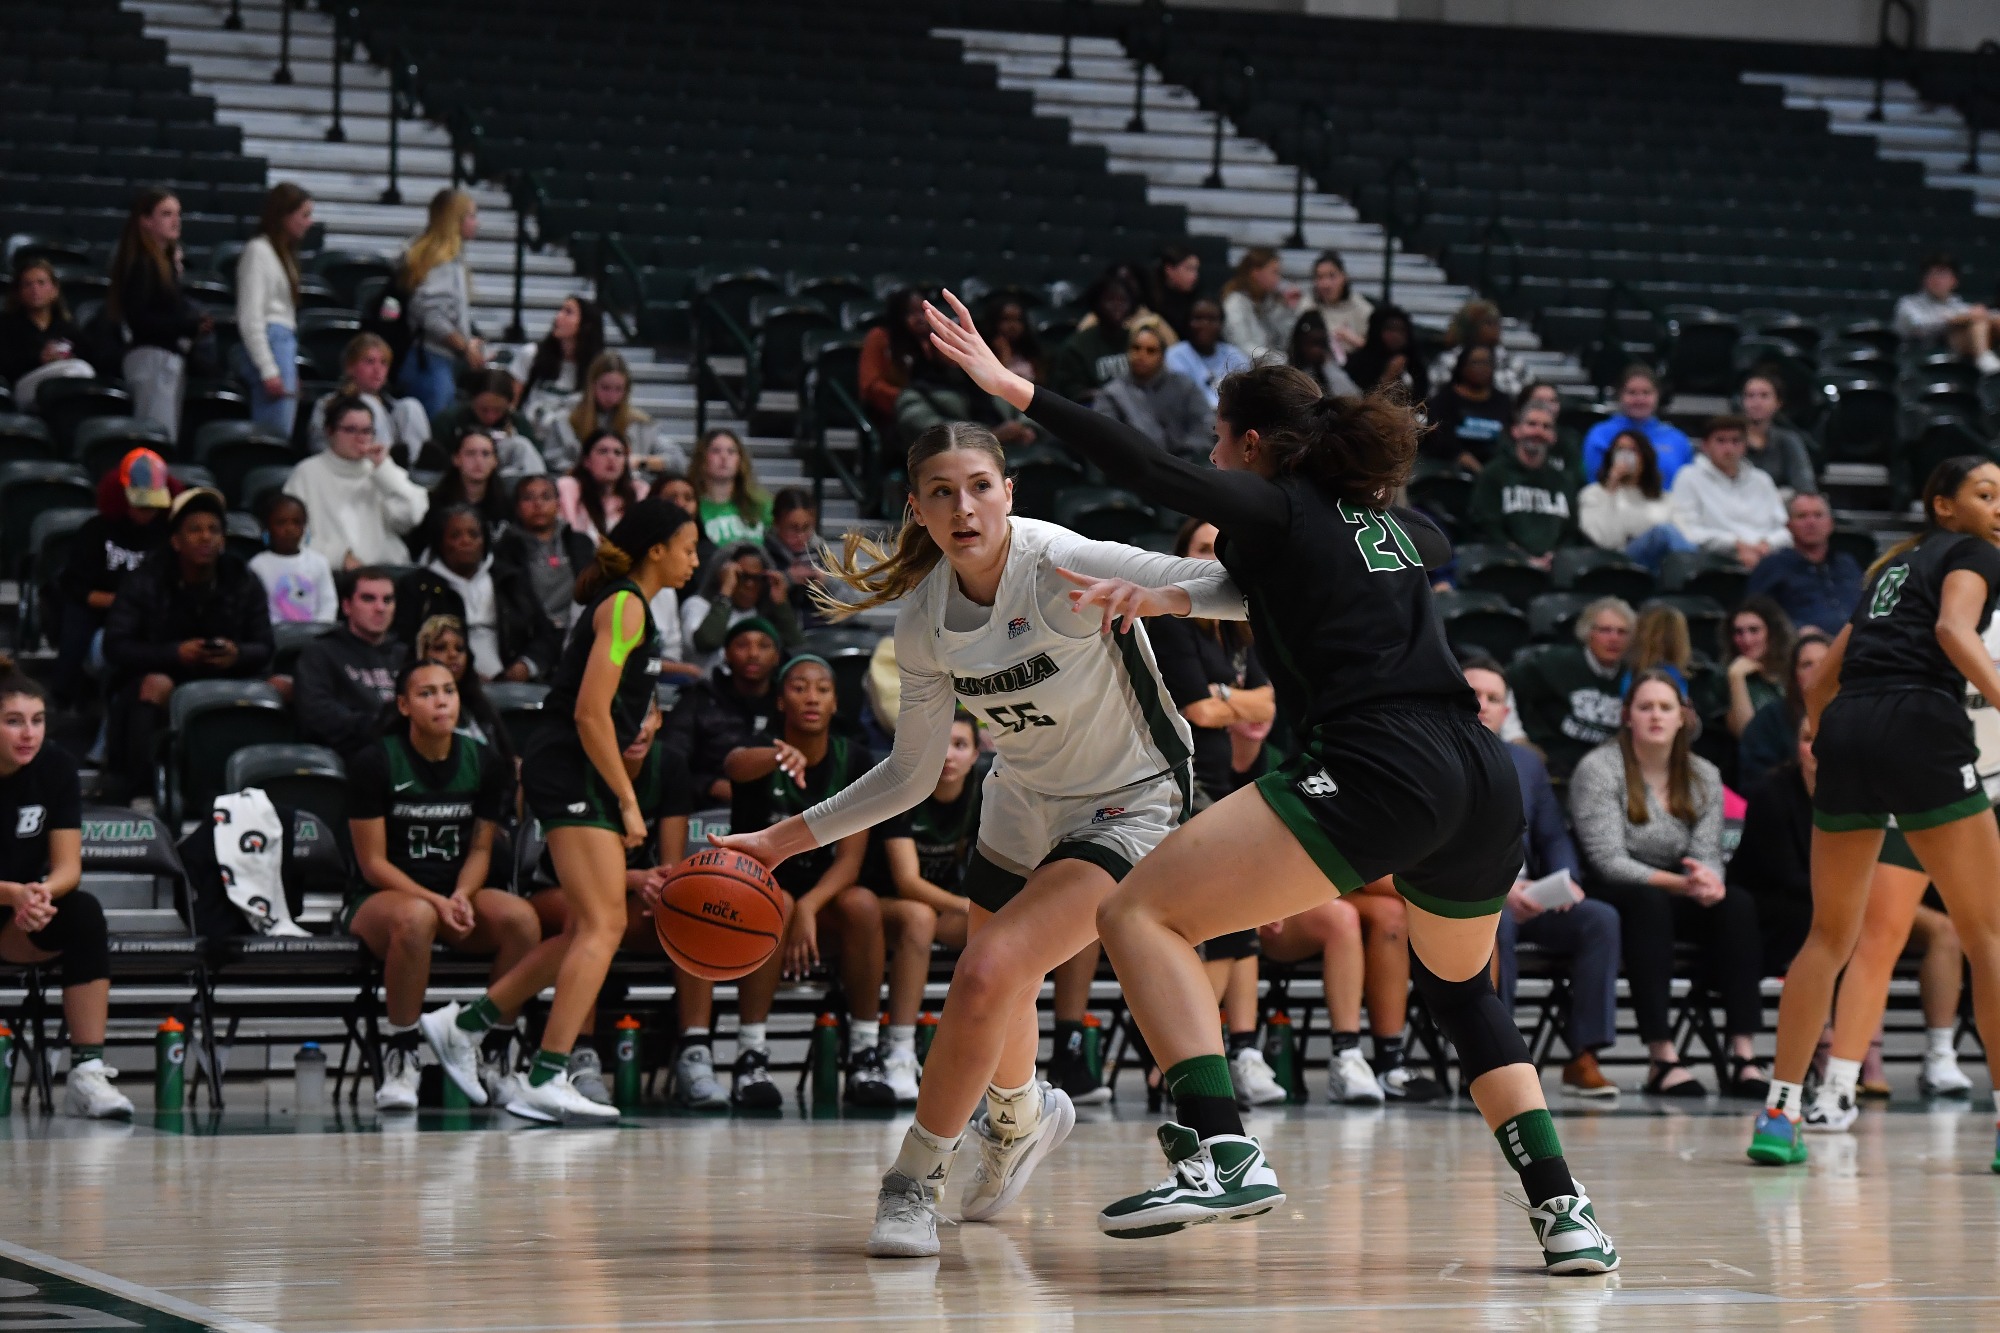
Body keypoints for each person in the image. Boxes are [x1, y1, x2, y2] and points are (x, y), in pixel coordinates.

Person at [914, 292, 1616, 1271]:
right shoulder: (1391, 526)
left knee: (1136, 916)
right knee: (1461, 996)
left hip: (1374, 761)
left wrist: (1011, 388)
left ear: (1251, 444)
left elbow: (1147, 468)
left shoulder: (1277, 502)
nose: (1207, 458)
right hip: (1476, 770)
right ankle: (1563, 1210)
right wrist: (1170, 592)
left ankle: (1219, 1145)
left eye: (1217, 441)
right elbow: (1356, 564)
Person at [708, 392, 1252, 1257]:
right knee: (996, 980)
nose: (963, 508)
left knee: (992, 967)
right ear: (916, 509)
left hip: (1132, 791)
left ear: (1008, 490)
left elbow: (1227, 588)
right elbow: (912, 773)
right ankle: (1019, 1117)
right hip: (1024, 792)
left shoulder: (1061, 560)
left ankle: (913, 1180)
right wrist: (781, 841)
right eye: (941, 492)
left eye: (978, 487)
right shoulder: (924, 615)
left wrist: (1173, 603)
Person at [1748, 456, 2000, 1170]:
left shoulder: (1888, 573)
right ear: (1944, 505)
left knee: (1830, 936)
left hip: (1850, 730)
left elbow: (1823, 678)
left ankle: (1779, 1112)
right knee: (1988, 935)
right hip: (1922, 723)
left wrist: (1821, 738)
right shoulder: (1973, 554)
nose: (1999, 507)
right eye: (1986, 494)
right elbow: (1955, 632)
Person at [420, 500, 700, 1124]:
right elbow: (589, 713)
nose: (695, 560)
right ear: (657, 549)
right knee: (603, 926)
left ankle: (465, 1024)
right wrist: (629, 803)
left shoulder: (634, 609)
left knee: (586, 929)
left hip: (577, 767)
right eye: (688, 547)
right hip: (567, 764)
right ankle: (545, 1074)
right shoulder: (626, 604)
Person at [1728, 721, 1972, 1128]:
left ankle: (1788, 1108)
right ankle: (1832, 1083)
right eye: (1808, 739)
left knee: (1875, 935)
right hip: (1934, 769)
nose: (1816, 747)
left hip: (1921, 769)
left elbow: (1825, 678)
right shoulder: (1780, 789)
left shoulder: (1857, 742)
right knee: (1854, 936)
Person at [724, 655, 918, 1108]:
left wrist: (809, 907)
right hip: (763, 898)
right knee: (780, 904)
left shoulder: (858, 759)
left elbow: (849, 862)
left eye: (822, 689)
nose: (811, 696)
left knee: (863, 903)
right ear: (779, 700)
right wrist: (775, 755)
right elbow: (733, 765)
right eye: (798, 687)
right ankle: (750, 1055)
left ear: (835, 704)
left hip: (825, 900)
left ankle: (865, 1051)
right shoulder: (758, 753)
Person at [346, 660, 534, 1111]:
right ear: (405, 706)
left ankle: (494, 1055)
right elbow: (372, 863)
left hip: (452, 896)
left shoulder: (484, 761)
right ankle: (403, 1054)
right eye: (427, 693)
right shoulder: (375, 762)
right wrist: (435, 899)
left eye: (448, 690)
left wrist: (463, 895)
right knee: (416, 917)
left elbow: (481, 850)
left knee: (522, 922)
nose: (441, 700)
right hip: (381, 901)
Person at [1569, 670, 1765, 1099]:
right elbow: (1608, 861)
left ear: (1683, 717)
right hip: (1618, 888)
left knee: (1737, 905)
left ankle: (1744, 1055)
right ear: (1627, 717)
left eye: (1665, 707)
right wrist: (1680, 884)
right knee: (1648, 904)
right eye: (1645, 707)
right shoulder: (1599, 768)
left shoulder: (1703, 774)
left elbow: (1708, 849)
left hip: (1679, 884)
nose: (1655, 716)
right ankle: (1662, 1055)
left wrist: (1709, 880)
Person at [1462, 657, 1621, 1098]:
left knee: (1599, 919)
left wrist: (1562, 882)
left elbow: (1552, 832)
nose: (1484, 706)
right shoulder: (1434, 758)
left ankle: (1584, 1056)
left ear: (1506, 711)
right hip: (1471, 899)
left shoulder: (1527, 764)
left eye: (1494, 698)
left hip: (1532, 893)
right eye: (1474, 695)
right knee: (1499, 921)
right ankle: (1497, 1060)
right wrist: (1502, 890)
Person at [525, 699, 695, 1104]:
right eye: (625, 717)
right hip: (560, 890)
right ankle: (579, 1053)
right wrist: (634, 878)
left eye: (645, 715)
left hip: (630, 895)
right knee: (587, 919)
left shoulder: (669, 765)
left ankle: (696, 1048)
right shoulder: (581, 764)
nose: (636, 728)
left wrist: (662, 884)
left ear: (658, 718)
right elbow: (579, 874)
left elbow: (671, 862)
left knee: (696, 918)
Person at [0, 662, 131, 1118]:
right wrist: (12, 893)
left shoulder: (54, 766)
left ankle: (86, 1072)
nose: (28, 734)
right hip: (8, 900)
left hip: (18, 914)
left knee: (82, 912)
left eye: (37, 721)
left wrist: (38, 894)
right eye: (13, 721)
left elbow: (68, 866)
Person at [102, 489, 274, 799]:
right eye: (195, 530)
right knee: (154, 685)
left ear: (223, 540)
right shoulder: (145, 579)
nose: (205, 537)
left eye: (213, 530)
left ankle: (274, 787)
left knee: (283, 686)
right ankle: (141, 793)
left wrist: (236, 654)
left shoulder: (243, 579)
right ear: (176, 540)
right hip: (163, 672)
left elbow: (264, 645)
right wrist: (174, 653)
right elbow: (116, 646)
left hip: (229, 673)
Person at [1145, 519, 1274, 809]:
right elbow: (1201, 712)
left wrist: (1220, 694)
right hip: (1191, 786)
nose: (1214, 562)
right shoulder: (1171, 622)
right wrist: (1239, 703)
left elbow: (1266, 706)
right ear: (1181, 560)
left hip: (1239, 781)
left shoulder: (1239, 623)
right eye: (1204, 549)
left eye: (1221, 551)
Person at [54, 450, 178, 701]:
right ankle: (67, 694)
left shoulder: (170, 535)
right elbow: (75, 587)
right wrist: (122, 602)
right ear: (121, 495)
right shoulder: (96, 531)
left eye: (153, 504)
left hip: (154, 621)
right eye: (140, 503)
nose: (146, 510)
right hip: (102, 620)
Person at [407, 506, 561, 682]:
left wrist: (526, 665)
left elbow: (546, 635)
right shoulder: (418, 586)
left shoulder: (511, 579)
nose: (466, 541)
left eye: (474, 535)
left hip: (513, 682)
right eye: (455, 536)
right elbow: (409, 644)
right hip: (446, 682)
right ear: (440, 542)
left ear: (485, 540)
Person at [285, 394, 430, 569]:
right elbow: (291, 535)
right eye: (351, 430)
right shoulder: (306, 473)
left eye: (367, 431)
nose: (361, 438)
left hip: (385, 573)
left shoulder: (382, 471)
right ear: (330, 431)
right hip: (332, 574)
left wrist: (384, 469)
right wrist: (339, 557)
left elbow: (412, 516)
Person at [108, 188, 206, 440]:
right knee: (155, 439)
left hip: (164, 359)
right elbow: (141, 320)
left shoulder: (164, 265)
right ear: (145, 220)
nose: (176, 221)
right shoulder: (142, 264)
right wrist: (189, 323)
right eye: (166, 214)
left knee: (163, 437)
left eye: (178, 214)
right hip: (151, 359)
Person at [1507, 596, 1635, 779]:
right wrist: (1515, 736)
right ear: (1588, 633)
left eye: (1622, 632)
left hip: (1611, 771)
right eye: (1605, 630)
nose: (1614, 638)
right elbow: (1502, 686)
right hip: (1555, 768)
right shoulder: (1555, 663)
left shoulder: (1635, 675)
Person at [662, 617, 781, 805]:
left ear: (777, 657)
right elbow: (669, 762)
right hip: (703, 809)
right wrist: (710, 785)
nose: (753, 654)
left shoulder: (786, 704)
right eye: (742, 645)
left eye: (764, 646)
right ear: (727, 654)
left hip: (774, 810)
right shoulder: (700, 698)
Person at [293, 567, 405, 760]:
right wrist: (379, 726)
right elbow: (317, 714)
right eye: (369, 599)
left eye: (387, 600)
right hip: (350, 757)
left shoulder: (406, 655)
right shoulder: (320, 652)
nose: (380, 608)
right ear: (346, 606)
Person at [233, 183, 313, 436]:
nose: (309, 223)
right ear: (284, 215)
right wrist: (269, 368)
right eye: (304, 215)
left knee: (283, 430)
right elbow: (251, 317)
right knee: (273, 433)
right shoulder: (259, 252)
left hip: (283, 344)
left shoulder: (284, 255)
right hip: (272, 343)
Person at [398, 187, 485, 417]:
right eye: (472, 216)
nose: (477, 223)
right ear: (454, 220)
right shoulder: (443, 263)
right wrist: (465, 347)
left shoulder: (442, 259)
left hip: (433, 361)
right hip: (431, 363)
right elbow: (433, 317)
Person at [1467, 399, 1579, 565]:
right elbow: (1487, 527)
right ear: (1516, 431)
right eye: (1531, 424)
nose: (1538, 432)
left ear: (1554, 437)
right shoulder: (1493, 474)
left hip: (1554, 569)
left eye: (1546, 427)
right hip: (1505, 566)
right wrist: (1523, 559)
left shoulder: (1564, 481)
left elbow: (1571, 533)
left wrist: (1554, 557)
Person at [1671, 416, 1790, 569]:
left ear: (1745, 446)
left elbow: (1784, 528)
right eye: (1721, 441)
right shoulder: (1688, 477)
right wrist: (1735, 544)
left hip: (1766, 555)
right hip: (1714, 560)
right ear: (1705, 446)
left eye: (1736, 441)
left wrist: (1766, 544)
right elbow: (1686, 530)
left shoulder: (1762, 480)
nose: (1729, 449)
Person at [546, 350, 683, 477]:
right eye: (605, 388)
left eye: (618, 389)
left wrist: (639, 461)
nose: (611, 396)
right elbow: (552, 462)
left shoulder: (639, 424)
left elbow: (677, 460)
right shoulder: (566, 418)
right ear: (592, 385)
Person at [1745, 493, 1864, 634]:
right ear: (1788, 526)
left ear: (1830, 523)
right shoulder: (1771, 567)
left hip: (1858, 643)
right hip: (1800, 646)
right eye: (1802, 516)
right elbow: (1754, 616)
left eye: (1818, 515)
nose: (1811, 523)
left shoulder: (1847, 564)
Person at [1092, 322, 1211, 461]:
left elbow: (1205, 424)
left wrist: (1185, 459)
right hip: (1136, 467)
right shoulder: (1112, 394)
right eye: (1136, 348)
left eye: (1151, 351)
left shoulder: (1184, 386)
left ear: (1162, 357)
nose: (1141, 355)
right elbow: (1107, 438)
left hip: (1188, 464)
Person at [1577, 428, 1692, 570]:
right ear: (1611, 456)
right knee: (1664, 531)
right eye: (1620, 450)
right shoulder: (1594, 493)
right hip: (1616, 561)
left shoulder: (1664, 498)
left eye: (1633, 451)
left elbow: (1684, 537)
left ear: (1645, 457)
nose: (1625, 456)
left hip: (1661, 566)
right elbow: (1603, 540)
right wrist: (1611, 486)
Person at [681, 543, 806, 673]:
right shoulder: (697, 605)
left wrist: (781, 605)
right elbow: (707, 642)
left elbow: (798, 653)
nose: (749, 585)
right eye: (742, 576)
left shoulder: (763, 614)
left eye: (757, 578)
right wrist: (725, 594)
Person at [306, 333, 431, 462]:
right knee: (366, 403)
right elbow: (318, 445)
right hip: (350, 466)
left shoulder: (394, 407)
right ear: (350, 367)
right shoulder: (327, 403)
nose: (378, 370)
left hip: (395, 470)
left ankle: (416, 470)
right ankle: (380, 462)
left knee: (411, 406)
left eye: (383, 363)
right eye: (369, 362)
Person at [1736, 629, 1831, 795]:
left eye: (1825, 662)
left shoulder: (1859, 714)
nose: (1817, 670)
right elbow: (1755, 782)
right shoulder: (1768, 720)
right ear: (1795, 676)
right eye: (1807, 665)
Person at [497, 473, 596, 630]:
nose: (538, 504)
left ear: (558, 504)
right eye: (528, 498)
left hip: (579, 630)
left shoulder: (580, 543)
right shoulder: (506, 550)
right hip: (531, 635)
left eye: (546, 497)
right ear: (517, 507)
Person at [411, 614, 509, 759]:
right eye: (441, 648)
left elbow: (506, 759)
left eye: (460, 648)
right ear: (423, 654)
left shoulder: (481, 707)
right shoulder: (409, 708)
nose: (453, 655)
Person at [407, 429, 510, 560]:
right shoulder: (432, 504)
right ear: (456, 459)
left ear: (495, 461)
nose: (478, 461)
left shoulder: (507, 506)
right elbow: (418, 549)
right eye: (470, 453)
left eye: (485, 454)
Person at [0, 257, 90, 406]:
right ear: (19, 292)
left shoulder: (66, 326)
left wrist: (68, 356)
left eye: (41, 283)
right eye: (27, 284)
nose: (35, 289)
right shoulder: (7, 324)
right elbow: (6, 364)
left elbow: (90, 354)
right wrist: (39, 358)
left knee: (80, 371)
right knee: (79, 370)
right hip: (25, 384)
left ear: (54, 290)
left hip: (65, 379)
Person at [1893, 252, 2000, 375]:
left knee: (1982, 320)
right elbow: (1918, 327)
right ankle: (1984, 359)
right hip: (1919, 352)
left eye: (1943, 275)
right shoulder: (1908, 304)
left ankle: (1986, 360)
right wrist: (1953, 319)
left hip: (1960, 355)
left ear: (1954, 281)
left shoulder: (1958, 305)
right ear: (1924, 279)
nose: (1937, 280)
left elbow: (1981, 316)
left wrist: (1981, 314)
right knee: (1976, 321)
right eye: (1932, 274)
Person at [1581, 366, 1692, 484]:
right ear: (1620, 395)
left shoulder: (1677, 439)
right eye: (1632, 392)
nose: (1640, 399)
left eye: (1646, 392)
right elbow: (1594, 483)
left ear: (1658, 396)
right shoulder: (1600, 435)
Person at [424, 368, 545, 477]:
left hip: (503, 480)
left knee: (522, 445)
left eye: (498, 410)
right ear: (472, 400)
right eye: (484, 409)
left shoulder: (518, 423)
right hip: (456, 478)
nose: (490, 416)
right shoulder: (449, 420)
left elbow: (534, 457)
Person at [518, 294, 604, 439]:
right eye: (560, 310)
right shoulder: (531, 355)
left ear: (587, 325)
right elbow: (512, 405)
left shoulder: (597, 368)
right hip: (530, 437)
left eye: (568, 312)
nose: (558, 317)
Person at [248, 493, 337, 624]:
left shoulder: (319, 562)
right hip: (274, 636)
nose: (289, 529)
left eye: (296, 522)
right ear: (267, 527)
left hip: (315, 636)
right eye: (281, 523)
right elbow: (256, 609)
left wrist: (318, 631)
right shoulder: (258, 565)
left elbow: (328, 603)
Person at [1047, 273, 1135, 402]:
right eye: (1110, 300)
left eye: (1123, 300)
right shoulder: (1076, 346)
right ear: (1096, 304)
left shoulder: (1138, 340)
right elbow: (1070, 391)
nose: (1117, 306)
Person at [1423, 345, 1510, 472]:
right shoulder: (1444, 400)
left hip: (1495, 469)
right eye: (1476, 362)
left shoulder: (1503, 401)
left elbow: (1509, 437)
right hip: (1448, 469)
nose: (1482, 367)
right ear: (1462, 366)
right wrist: (1462, 458)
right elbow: (1438, 439)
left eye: (1486, 362)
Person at [1722, 597, 1796, 740]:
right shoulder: (1727, 677)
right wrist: (1736, 678)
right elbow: (1747, 734)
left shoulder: (1794, 667)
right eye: (1738, 632)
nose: (1746, 640)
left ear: (1773, 632)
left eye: (1754, 630)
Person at [558, 429, 646, 546]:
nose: (611, 458)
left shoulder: (639, 491)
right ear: (586, 461)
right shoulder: (569, 488)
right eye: (603, 451)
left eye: (618, 453)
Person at [688, 428, 771, 548]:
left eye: (731, 451)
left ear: (740, 461)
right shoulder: (693, 508)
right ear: (702, 460)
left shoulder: (761, 504)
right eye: (716, 451)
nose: (724, 457)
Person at [1737, 372, 1817, 497]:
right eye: (1750, 395)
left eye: (1764, 396)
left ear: (1778, 403)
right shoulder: (1730, 439)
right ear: (1742, 401)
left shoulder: (1789, 440)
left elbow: (1805, 486)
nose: (1756, 402)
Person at [860, 288, 927, 434]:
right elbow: (871, 386)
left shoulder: (930, 342)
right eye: (912, 313)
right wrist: (903, 397)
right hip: (891, 414)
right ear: (898, 316)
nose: (920, 319)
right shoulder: (879, 338)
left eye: (923, 312)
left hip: (930, 404)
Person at [1430, 299, 1525, 400]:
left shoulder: (1514, 362)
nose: (1496, 328)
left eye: (1497, 322)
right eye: (1488, 323)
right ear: (1471, 327)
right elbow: (1436, 397)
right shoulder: (1449, 360)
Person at [1164, 297, 1250, 409]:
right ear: (1187, 322)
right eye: (1198, 318)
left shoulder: (1234, 354)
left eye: (1212, 319)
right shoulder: (1175, 355)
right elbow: (1183, 399)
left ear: (1221, 324)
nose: (1204, 325)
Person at [764, 488, 833, 627]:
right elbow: (754, 607)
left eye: (806, 527)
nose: (800, 536)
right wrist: (787, 579)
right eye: (792, 528)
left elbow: (851, 605)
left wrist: (826, 583)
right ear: (776, 523)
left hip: (820, 631)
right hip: (778, 632)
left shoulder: (820, 551)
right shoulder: (763, 553)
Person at [1218, 247, 1297, 361]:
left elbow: (1287, 339)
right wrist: (1277, 358)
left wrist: (1288, 308)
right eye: (1274, 272)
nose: (1278, 278)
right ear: (1256, 273)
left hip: (1270, 361)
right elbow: (1240, 346)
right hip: (1243, 365)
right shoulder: (1235, 302)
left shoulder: (1272, 301)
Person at [1343, 304, 1428, 400]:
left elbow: (1421, 396)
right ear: (1377, 330)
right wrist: (1388, 377)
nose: (1396, 335)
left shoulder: (1415, 363)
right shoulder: (1358, 363)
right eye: (1390, 329)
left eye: (1401, 330)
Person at [1298, 250, 1370, 353]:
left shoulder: (1359, 305)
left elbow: (1375, 347)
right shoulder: (1308, 306)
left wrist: (1356, 341)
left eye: (1332, 276)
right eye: (1320, 277)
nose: (1326, 284)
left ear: (1344, 277)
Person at [1285, 312, 1361, 400]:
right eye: (1310, 343)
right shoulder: (1288, 369)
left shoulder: (1332, 369)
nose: (1315, 350)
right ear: (1299, 343)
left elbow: (1353, 398)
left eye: (1319, 343)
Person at [1150, 244, 1202, 341]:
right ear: (1169, 270)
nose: (1195, 276)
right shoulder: (1153, 302)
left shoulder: (1198, 300)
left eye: (1196, 270)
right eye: (1189, 269)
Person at [987, 297, 1044, 383]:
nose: (1012, 326)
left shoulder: (1032, 352)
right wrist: (1004, 354)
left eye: (1017, 320)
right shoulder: (986, 351)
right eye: (1006, 319)